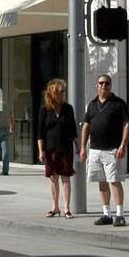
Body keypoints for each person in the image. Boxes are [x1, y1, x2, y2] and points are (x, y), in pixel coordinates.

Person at [80, 73, 129, 226]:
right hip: (95, 150)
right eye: (101, 83)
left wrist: (123, 145)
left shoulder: (119, 103)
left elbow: (127, 124)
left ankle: (120, 215)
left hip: (112, 149)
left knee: (114, 181)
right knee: (101, 181)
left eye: (107, 83)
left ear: (111, 85)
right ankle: (106, 214)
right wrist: (83, 147)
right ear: (97, 86)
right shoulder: (92, 104)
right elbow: (86, 126)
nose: (104, 85)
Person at [37, 78, 77, 218]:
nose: (64, 93)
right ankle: (55, 207)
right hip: (50, 149)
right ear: (54, 92)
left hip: (66, 149)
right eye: (62, 91)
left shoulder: (68, 108)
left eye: (64, 91)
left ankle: (66, 208)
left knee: (66, 179)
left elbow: (73, 131)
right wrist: (41, 151)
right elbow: (40, 133)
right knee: (54, 179)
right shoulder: (45, 110)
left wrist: (79, 148)